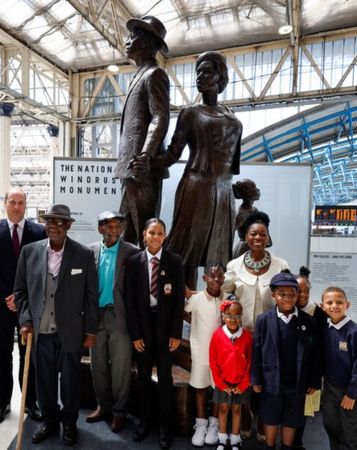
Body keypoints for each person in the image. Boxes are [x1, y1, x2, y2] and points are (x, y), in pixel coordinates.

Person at [152, 51, 242, 289]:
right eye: (198, 72)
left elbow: (233, 166)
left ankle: (217, 307)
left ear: (220, 76)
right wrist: (147, 159)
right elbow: (173, 154)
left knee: (219, 253)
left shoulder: (233, 119)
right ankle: (184, 305)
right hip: (196, 186)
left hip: (224, 190)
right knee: (187, 252)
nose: (200, 76)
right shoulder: (190, 113)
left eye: (207, 71)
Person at [16, 204, 99, 446]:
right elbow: (20, 292)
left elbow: (91, 296)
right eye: (49, 221)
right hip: (40, 332)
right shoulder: (29, 252)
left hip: (71, 332)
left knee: (71, 382)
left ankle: (70, 423)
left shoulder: (83, 254)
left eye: (59, 222)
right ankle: (49, 420)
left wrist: (91, 331)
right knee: (44, 381)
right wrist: (26, 320)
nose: (53, 226)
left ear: (69, 226)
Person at [0, 188, 46, 426]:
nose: (17, 206)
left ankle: (30, 403)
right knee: (3, 357)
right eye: (13, 202)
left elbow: (42, 268)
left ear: (26, 205)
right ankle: (3, 405)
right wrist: (8, 296)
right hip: (1, 307)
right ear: (5, 204)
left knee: (28, 357)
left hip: (29, 308)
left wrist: (23, 298)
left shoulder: (39, 232)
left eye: (21, 203)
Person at [124, 218, 185, 448]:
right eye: (152, 232)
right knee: (142, 378)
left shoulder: (174, 261)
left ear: (165, 236)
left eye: (160, 233)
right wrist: (135, 334)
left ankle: (164, 426)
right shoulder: (133, 262)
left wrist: (176, 333)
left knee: (165, 380)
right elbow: (129, 301)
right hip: (142, 328)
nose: (156, 237)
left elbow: (178, 300)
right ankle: (144, 421)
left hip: (166, 330)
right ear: (144, 235)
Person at [115, 16, 170, 246]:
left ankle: (147, 278)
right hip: (132, 166)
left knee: (145, 232)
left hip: (142, 166)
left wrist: (146, 155)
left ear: (147, 43)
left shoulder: (154, 74)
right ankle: (127, 279)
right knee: (126, 229)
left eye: (133, 37)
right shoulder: (138, 76)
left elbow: (160, 116)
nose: (127, 42)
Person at [251, 273, 321, 449]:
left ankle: (287, 447)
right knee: (270, 416)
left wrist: (314, 381)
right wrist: (256, 378)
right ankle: (269, 446)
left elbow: (315, 354)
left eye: (292, 294)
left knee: (292, 418)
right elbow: (257, 351)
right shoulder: (264, 320)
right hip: (271, 380)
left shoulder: (309, 322)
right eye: (282, 294)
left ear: (297, 295)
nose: (287, 298)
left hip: (297, 382)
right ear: (273, 296)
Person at [86, 211, 139, 432]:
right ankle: (103, 406)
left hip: (120, 318)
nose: (114, 230)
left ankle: (119, 412)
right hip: (95, 317)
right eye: (109, 226)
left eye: (118, 226)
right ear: (100, 228)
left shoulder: (132, 253)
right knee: (97, 366)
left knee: (120, 369)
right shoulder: (89, 251)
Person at [223, 211, 291, 332]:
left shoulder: (281, 265)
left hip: (273, 332)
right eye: (253, 234)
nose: (258, 238)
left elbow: (289, 297)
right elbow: (223, 294)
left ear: (268, 237)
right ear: (246, 236)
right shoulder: (234, 266)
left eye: (263, 234)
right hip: (241, 333)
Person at [320, 287, 357, 450]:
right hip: (330, 389)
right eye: (329, 302)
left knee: (351, 432)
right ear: (322, 306)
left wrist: (351, 394)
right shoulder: (325, 330)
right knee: (331, 426)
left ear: (347, 304)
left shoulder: (355, 332)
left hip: (349, 391)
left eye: (339, 302)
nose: (334, 306)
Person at [185, 263, 225, 447]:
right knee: (200, 388)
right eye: (212, 275)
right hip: (200, 352)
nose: (216, 279)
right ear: (204, 278)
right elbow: (184, 312)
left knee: (218, 389)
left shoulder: (227, 299)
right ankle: (200, 424)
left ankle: (214, 423)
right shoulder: (197, 299)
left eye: (220, 276)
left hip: (222, 356)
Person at [209, 300, 252, 450]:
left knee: (237, 409)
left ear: (241, 317)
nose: (233, 319)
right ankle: (222, 439)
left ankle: (235, 440)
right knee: (222, 409)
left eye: (237, 315)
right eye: (229, 315)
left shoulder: (247, 337)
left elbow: (250, 363)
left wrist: (243, 384)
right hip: (223, 382)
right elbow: (213, 362)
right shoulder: (217, 336)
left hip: (240, 383)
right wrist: (221, 384)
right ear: (223, 316)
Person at [293, 267, 325, 450]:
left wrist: (316, 378)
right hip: (290, 371)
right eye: (299, 291)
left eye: (306, 291)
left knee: (303, 409)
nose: (303, 295)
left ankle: (297, 441)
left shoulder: (318, 315)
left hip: (308, 371)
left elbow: (320, 351)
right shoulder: (284, 310)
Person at [232, 179, 261, 258]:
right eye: (255, 188)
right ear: (249, 193)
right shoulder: (243, 213)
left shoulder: (253, 210)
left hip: (253, 248)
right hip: (245, 250)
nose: (258, 190)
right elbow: (230, 230)